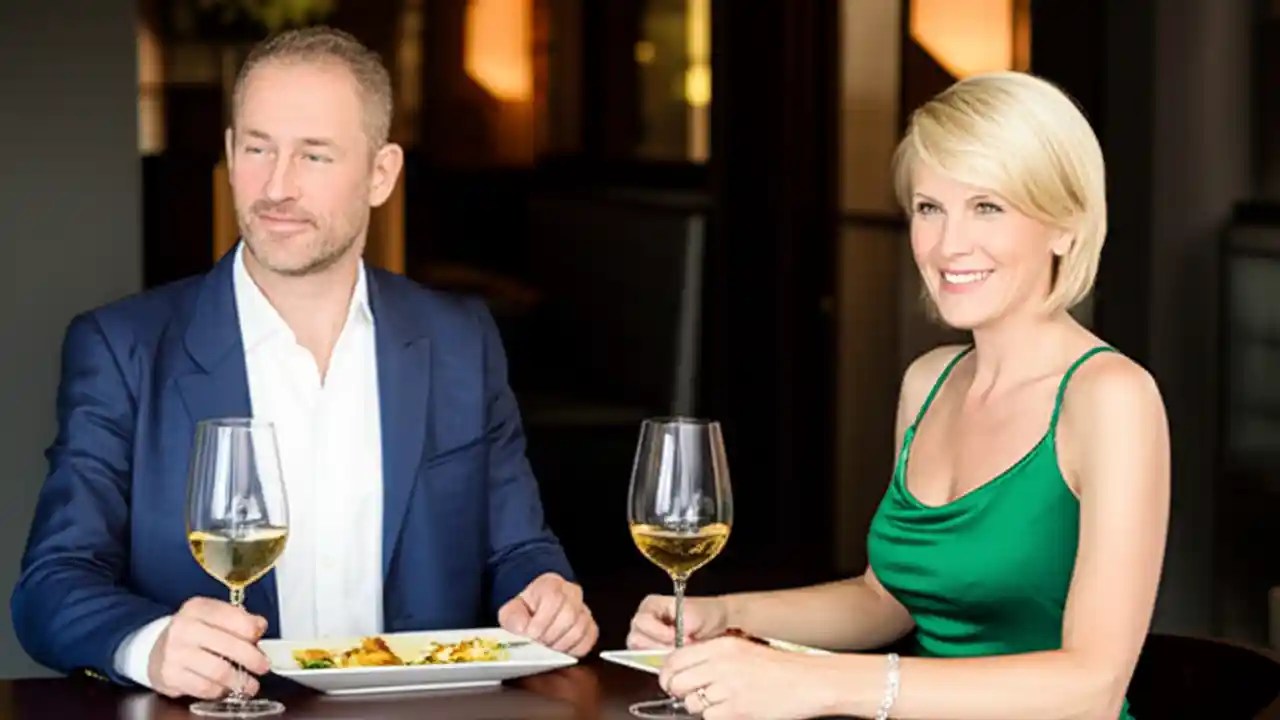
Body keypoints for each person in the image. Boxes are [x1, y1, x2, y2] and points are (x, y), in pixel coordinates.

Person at [11, 26, 596, 701]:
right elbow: (52, 584)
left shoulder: (461, 340)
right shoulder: (122, 348)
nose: (276, 186)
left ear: (381, 175)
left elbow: (518, 548)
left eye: (314, 156)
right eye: (257, 148)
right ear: (231, 153)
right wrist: (152, 643)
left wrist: (545, 592)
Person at [626, 71, 1170, 720]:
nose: (947, 245)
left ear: (1066, 227)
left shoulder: (1111, 398)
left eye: (987, 207)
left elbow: (1092, 687)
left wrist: (819, 683)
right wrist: (724, 617)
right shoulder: (929, 381)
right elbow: (886, 600)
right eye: (928, 208)